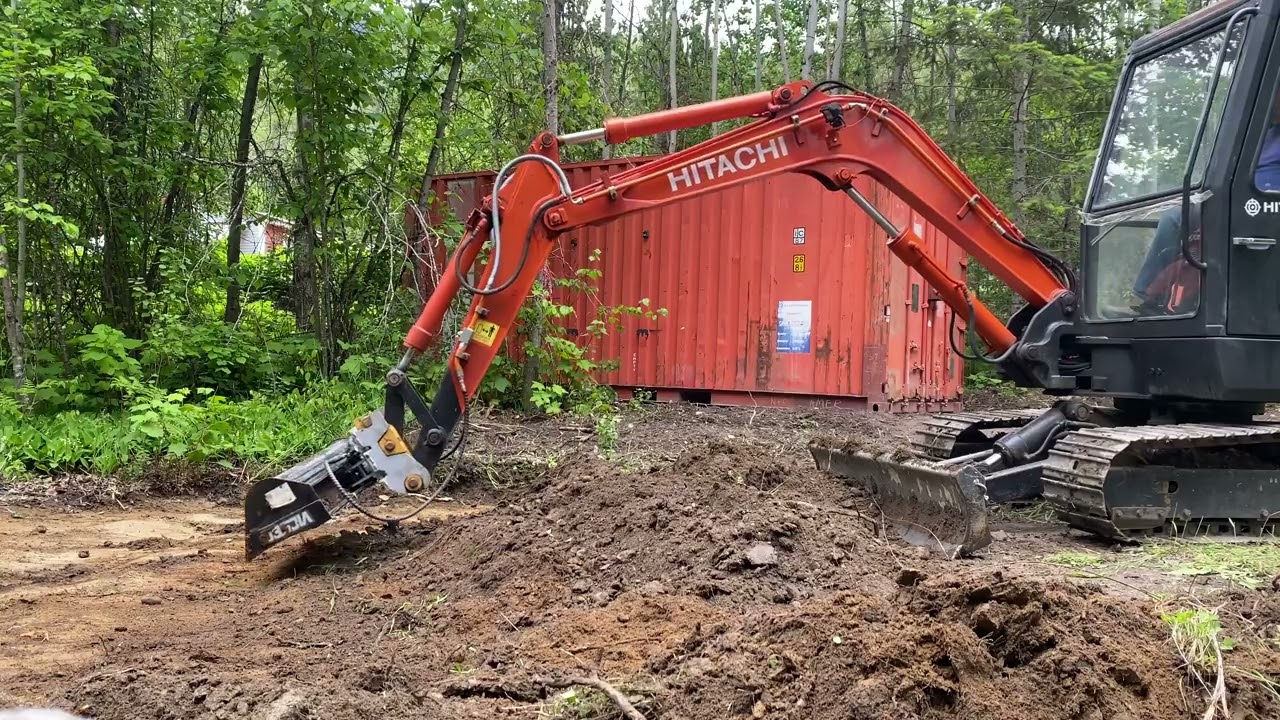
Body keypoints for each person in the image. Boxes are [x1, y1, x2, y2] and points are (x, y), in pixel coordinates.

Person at [1131, 93, 1280, 312]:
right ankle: (1150, 296)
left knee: (1180, 221)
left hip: (1263, 202)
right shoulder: (1261, 135)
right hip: (1232, 197)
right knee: (1175, 217)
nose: (1274, 100)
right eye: (1274, 95)